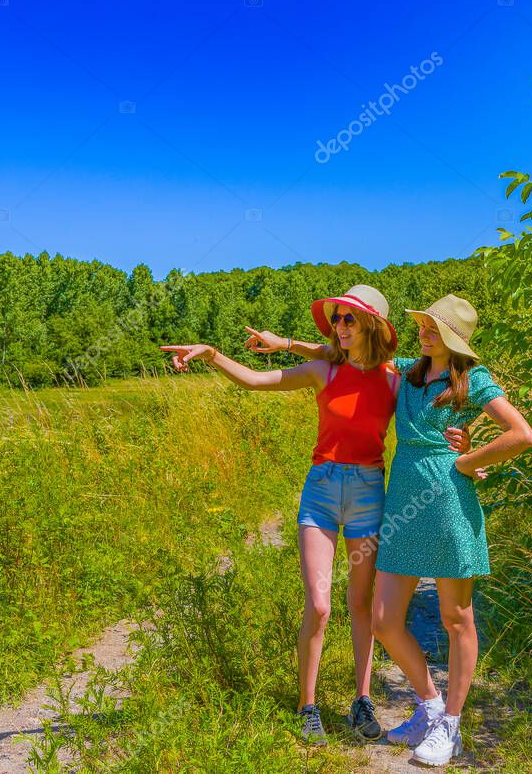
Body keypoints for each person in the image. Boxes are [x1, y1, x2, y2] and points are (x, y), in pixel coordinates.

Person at [161, 285, 466, 746]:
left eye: (349, 319)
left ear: (371, 326)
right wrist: (212, 355)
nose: (339, 326)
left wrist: (469, 450)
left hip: (368, 492)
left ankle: (362, 700)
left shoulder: (394, 377)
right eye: (337, 318)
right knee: (320, 606)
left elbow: (445, 400)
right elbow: (256, 381)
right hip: (321, 491)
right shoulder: (322, 370)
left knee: (361, 604)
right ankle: (307, 707)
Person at [247, 294, 532, 766]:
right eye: (422, 324)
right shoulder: (408, 371)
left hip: (447, 506)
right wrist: (287, 343)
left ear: (453, 338)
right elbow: (343, 355)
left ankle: (453, 727)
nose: (423, 331)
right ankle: (430, 706)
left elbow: (520, 433)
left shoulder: (473, 380)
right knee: (382, 620)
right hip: (402, 503)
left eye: (432, 327)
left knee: (455, 616)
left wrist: (468, 458)